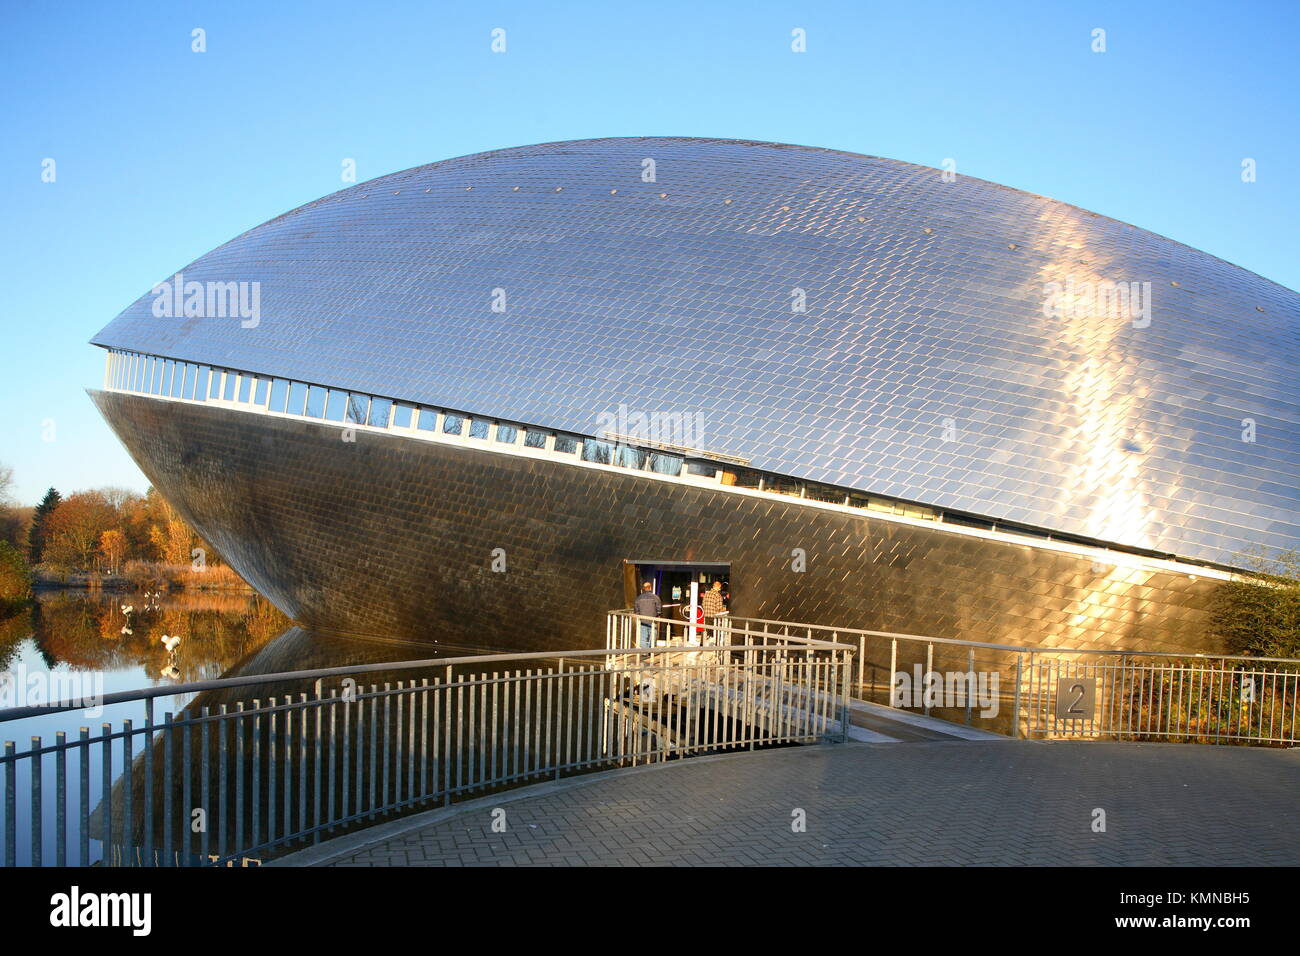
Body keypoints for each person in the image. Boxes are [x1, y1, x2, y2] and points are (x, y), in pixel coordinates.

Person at [633, 581, 662, 648]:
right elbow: (659, 610)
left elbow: (636, 610)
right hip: (653, 620)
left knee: (643, 636)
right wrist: (657, 615)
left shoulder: (639, 598)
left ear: (643, 588)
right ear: (650, 588)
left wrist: (639, 615)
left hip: (642, 620)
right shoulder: (656, 597)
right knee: (653, 635)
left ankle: (644, 652)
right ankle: (651, 651)